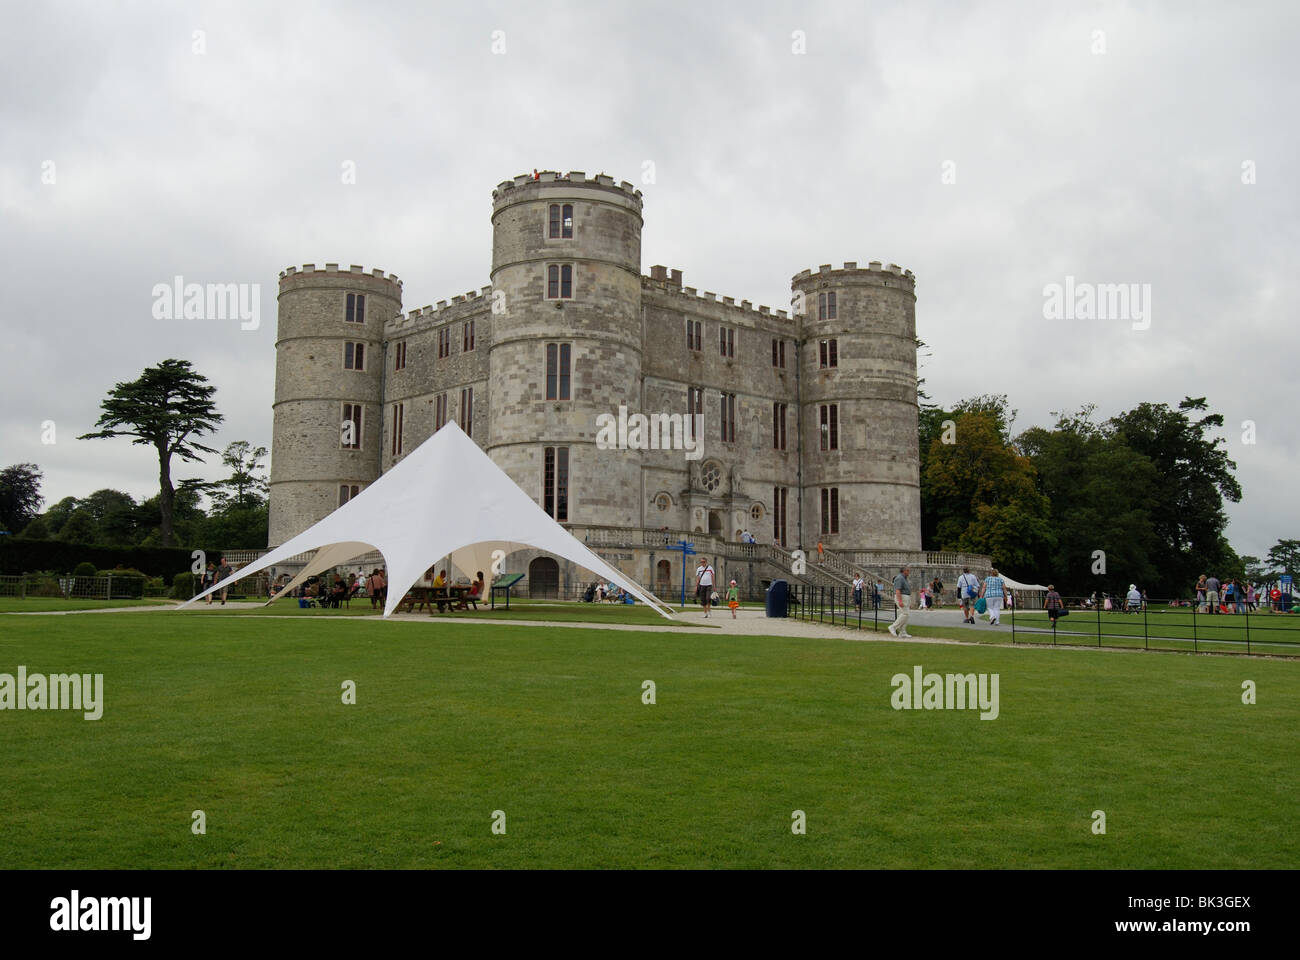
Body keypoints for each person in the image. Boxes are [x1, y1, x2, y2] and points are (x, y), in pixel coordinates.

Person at [888, 566, 913, 638]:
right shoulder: (899, 578)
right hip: (902, 597)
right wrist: (900, 601)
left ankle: (902, 632)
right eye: (908, 571)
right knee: (905, 614)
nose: (909, 572)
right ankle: (893, 627)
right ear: (904, 571)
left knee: (905, 615)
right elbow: (897, 590)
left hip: (905, 597)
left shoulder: (903, 578)